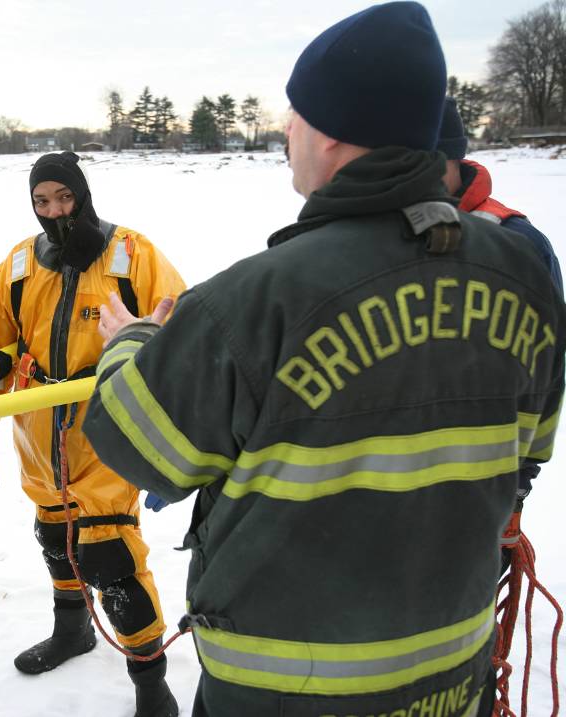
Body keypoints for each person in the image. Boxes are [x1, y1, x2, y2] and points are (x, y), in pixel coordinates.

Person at [82, 3, 566, 716]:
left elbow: (134, 444)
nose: (285, 129)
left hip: (284, 693)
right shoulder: (524, 276)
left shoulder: (258, 298)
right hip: (451, 680)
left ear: (334, 131)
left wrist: (130, 342)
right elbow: (528, 451)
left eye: (296, 113)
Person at [0, 151, 185, 717]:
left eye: (64, 197)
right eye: (42, 201)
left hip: (109, 422)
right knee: (54, 533)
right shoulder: (18, 265)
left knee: (107, 554)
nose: (54, 211)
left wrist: (174, 441)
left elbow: (181, 338)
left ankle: (150, 682)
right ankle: (73, 631)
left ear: (83, 194)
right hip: (39, 429)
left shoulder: (131, 256)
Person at [438, 95, 563, 296]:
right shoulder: (381, 233)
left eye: (429, 160)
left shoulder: (521, 242)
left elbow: (554, 324)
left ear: (455, 158)